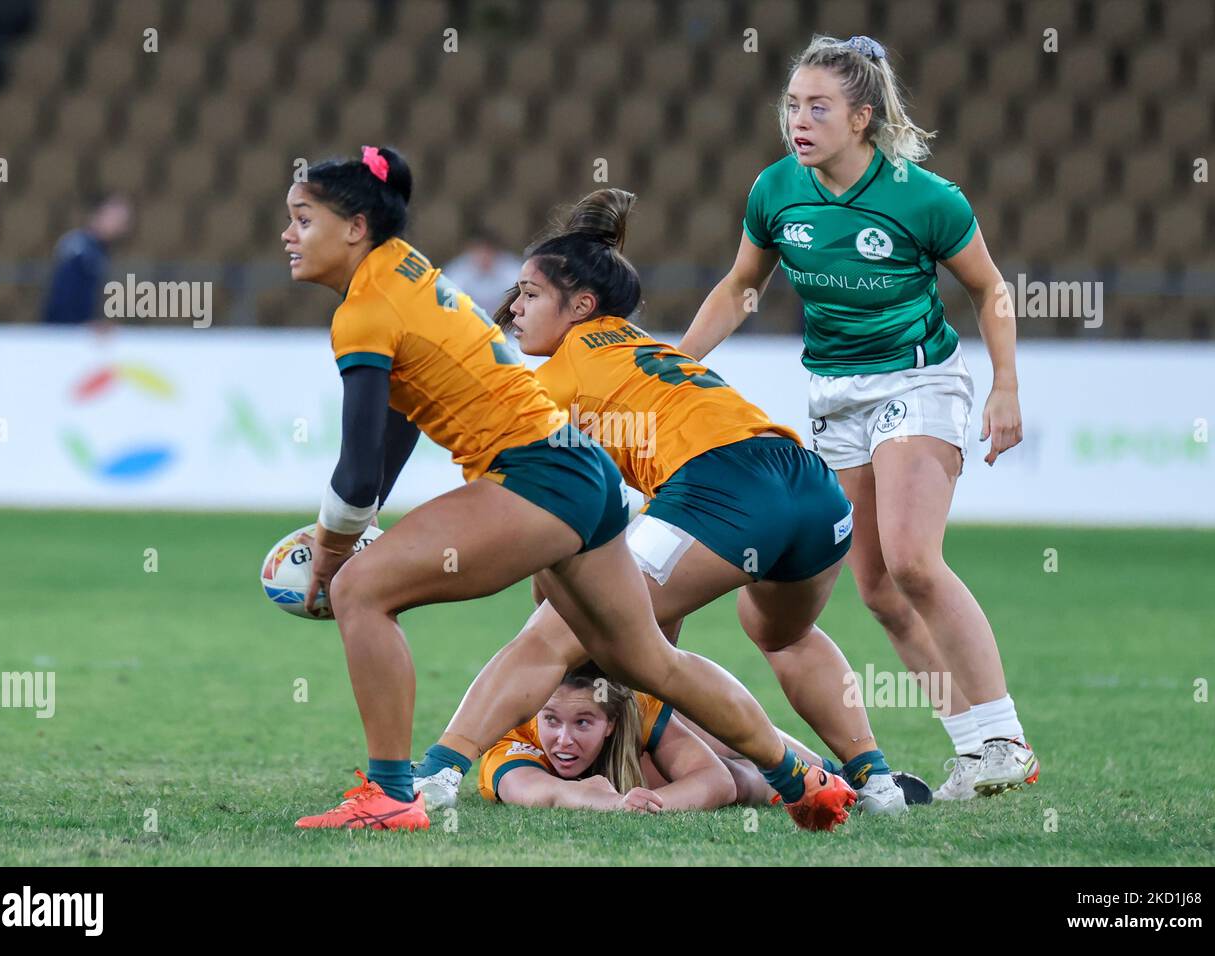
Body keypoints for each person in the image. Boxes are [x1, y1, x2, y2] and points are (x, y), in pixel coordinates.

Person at [280, 145, 856, 832]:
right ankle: (803, 780)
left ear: (354, 227)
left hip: (538, 476)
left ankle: (393, 794)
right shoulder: (406, 276)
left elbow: (356, 470)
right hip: (588, 478)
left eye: (302, 218)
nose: (288, 234)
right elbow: (395, 430)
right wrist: (359, 524)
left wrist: (333, 549)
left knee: (360, 591)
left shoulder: (363, 311)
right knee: (643, 661)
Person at [412, 188, 928, 817]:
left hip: (724, 487)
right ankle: (873, 780)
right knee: (781, 635)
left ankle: (433, 777)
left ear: (579, 305)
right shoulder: (632, 347)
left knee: (554, 639)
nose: (514, 307)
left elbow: (507, 506)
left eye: (529, 294)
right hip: (810, 489)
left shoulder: (554, 377)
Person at [676, 35, 1038, 799]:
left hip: (920, 380)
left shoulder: (924, 197)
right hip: (833, 394)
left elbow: (990, 289)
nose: (798, 121)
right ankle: (974, 748)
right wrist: (682, 360)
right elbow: (743, 286)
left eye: (818, 108)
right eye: (792, 105)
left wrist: (1005, 385)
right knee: (875, 588)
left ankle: (1007, 736)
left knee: (912, 560)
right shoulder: (776, 190)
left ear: (863, 118)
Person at [479, 665, 737, 812]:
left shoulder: (636, 708)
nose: (564, 739)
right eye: (551, 720)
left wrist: (648, 805)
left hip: (658, 721)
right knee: (654, 777)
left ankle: (772, 754)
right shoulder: (510, 736)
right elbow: (546, 792)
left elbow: (719, 780)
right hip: (626, 768)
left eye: (582, 722)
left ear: (610, 723)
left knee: (742, 775)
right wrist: (616, 803)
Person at [41, 193, 133, 326]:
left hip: (76, 331)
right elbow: (63, 298)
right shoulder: (79, 250)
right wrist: (83, 325)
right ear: (98, 214)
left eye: (124, 221)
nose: (121, 226)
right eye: (116, 218)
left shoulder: (98, 251)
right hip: (62, 332)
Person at [440, 226, 523, 317]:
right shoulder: (456, 271)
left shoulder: (513, 270)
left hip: (505, 326)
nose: (484, 255)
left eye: (488, 250)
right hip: (468, 324)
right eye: (479, 250)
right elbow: (447, 305)